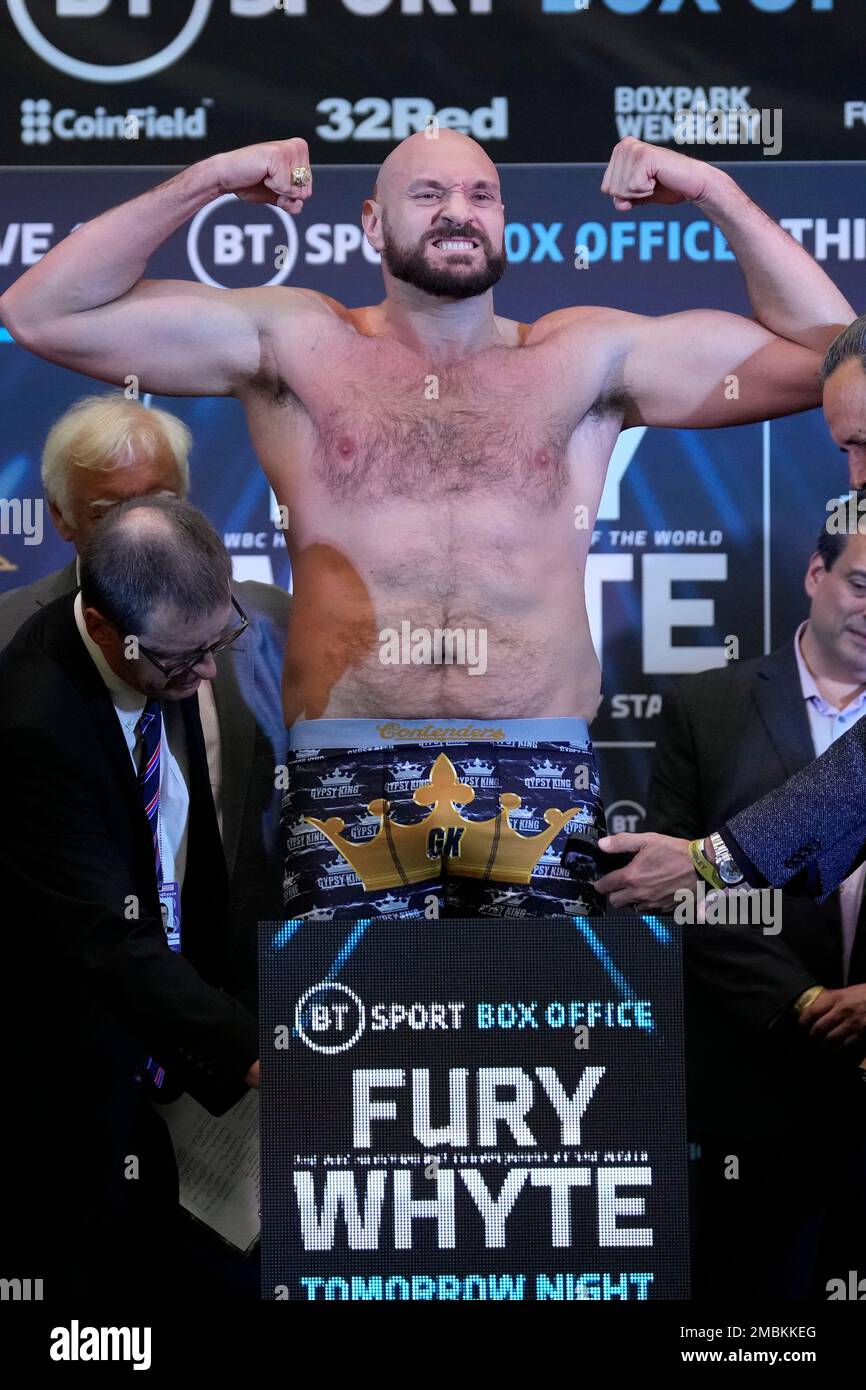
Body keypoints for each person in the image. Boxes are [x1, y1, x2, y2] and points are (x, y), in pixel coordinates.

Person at [0, 131, 853, 919]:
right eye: (429, 193)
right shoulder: (293, 346)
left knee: (544, 1057)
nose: (458, 211)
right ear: (372, 222)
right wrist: (211, 182)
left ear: (505, 222)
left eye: (482, 194)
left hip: (537, 772)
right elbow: (45, 312)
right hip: (345, 770)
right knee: (349, 1058)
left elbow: (838, 356)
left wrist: (714, 190)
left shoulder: (586, 359)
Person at [0, 495, 259, 1300]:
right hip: (74, 1085)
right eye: (185, 661)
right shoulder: (32, 726)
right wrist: (249, 1048)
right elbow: (106, 942)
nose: (208, 673)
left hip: (179, 1067)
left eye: (220, 640)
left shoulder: (165, 660)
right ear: (106, 628)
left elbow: (186, 858)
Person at [645, 500, 866, 1299]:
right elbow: (676, 888)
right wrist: (801, 999)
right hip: (751, 1078)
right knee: (748, 1329)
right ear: (817, 572)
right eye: (862, 585)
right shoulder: (708, 707)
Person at [0, 392, 289, 993]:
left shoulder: (272, 623)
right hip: (72, 1007)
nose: (138, 529)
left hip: (245, 996)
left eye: (158, 503)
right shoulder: (10, 641)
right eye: (109, 511)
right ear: (60, 516)